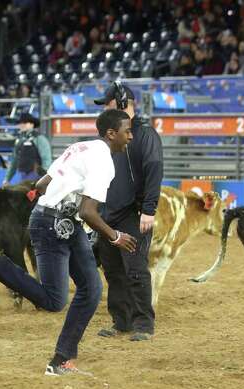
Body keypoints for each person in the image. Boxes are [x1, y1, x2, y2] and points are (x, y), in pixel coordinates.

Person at [0, 109, 137, 376]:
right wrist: (115, 236)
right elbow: (89, 210)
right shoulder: (104, 162)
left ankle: (62, 360)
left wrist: (40, 206)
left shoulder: (80, 147)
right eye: (127, 131)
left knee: (91, 289)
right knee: (55, 300)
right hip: (57, 224)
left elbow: (42, 184)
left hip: (58, 221)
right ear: (112, 134)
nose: (130, 137)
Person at [93, 82, 164, 342]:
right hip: (109, 213)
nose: (105, 110)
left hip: (133, 213)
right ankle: (121, 320)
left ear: (123, 104)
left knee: (135, 268)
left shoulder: (145, 135)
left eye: (109, 105)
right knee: (113, 269)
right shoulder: (110, 138)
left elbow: (154, 169)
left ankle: (143, 323)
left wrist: (149, 210)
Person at [2, 112, 52, 186]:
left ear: (32, 124)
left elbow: (46, 159)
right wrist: (7, 179)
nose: (22, 124)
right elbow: (14, 161)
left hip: (37, 175)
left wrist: (44, 178)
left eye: (25, 122)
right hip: (23, 175)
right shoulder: (19, 140)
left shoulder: (39, 139)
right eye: (21, 123)